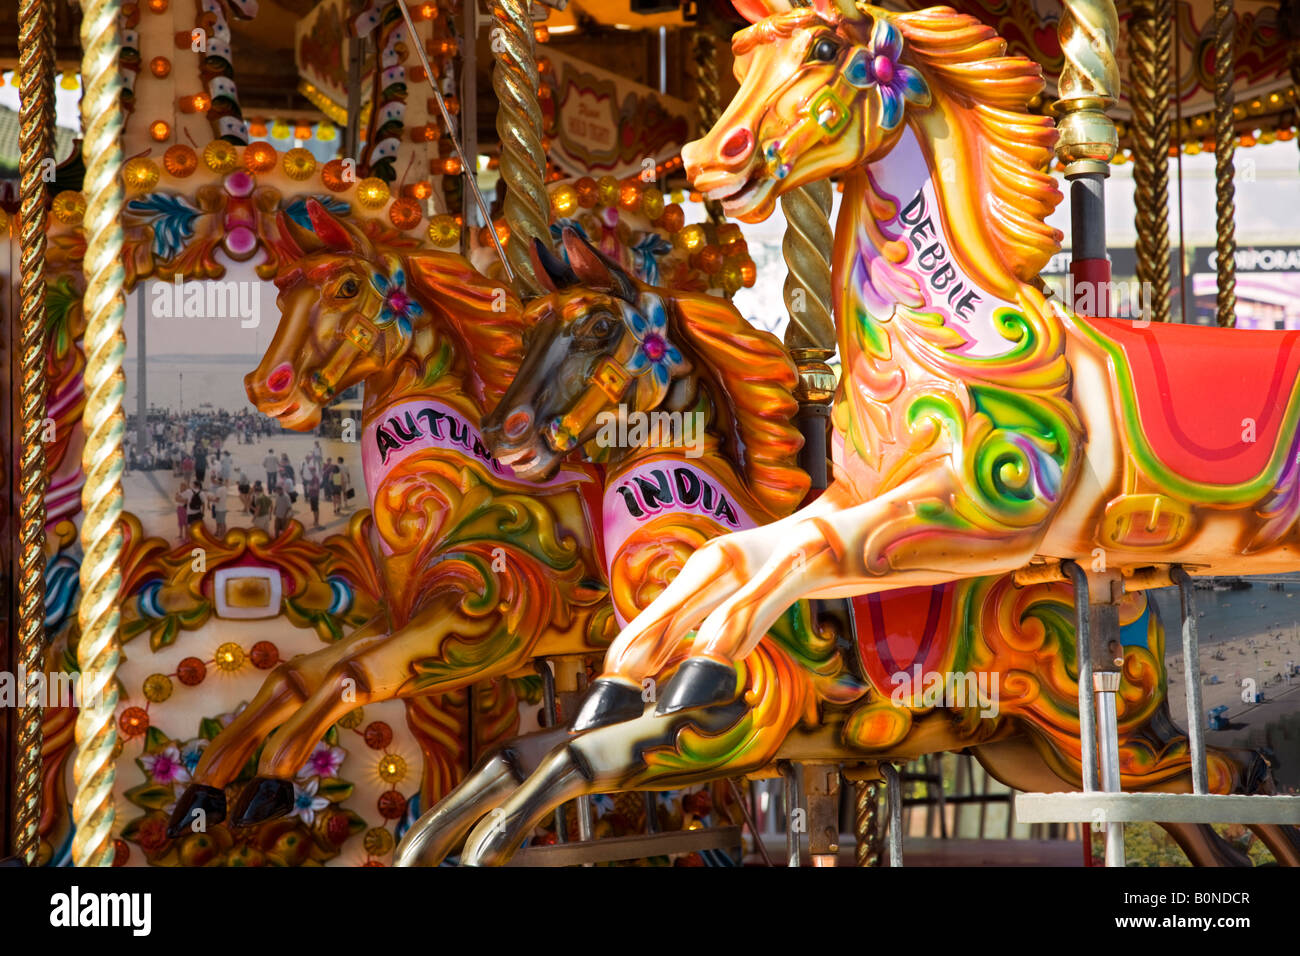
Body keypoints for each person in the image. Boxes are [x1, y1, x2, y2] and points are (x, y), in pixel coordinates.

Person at [303, 459, 322, 529]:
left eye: (311, 471)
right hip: (313, 496)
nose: (310, 472)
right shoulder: (313, 477)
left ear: (313, 471)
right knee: (314, 509)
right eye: (310, 471)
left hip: (314, 496)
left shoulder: (315, 478)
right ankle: (315, 521)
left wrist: (309, 486)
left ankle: (317, 522)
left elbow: (316, 487)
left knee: (316, 509)